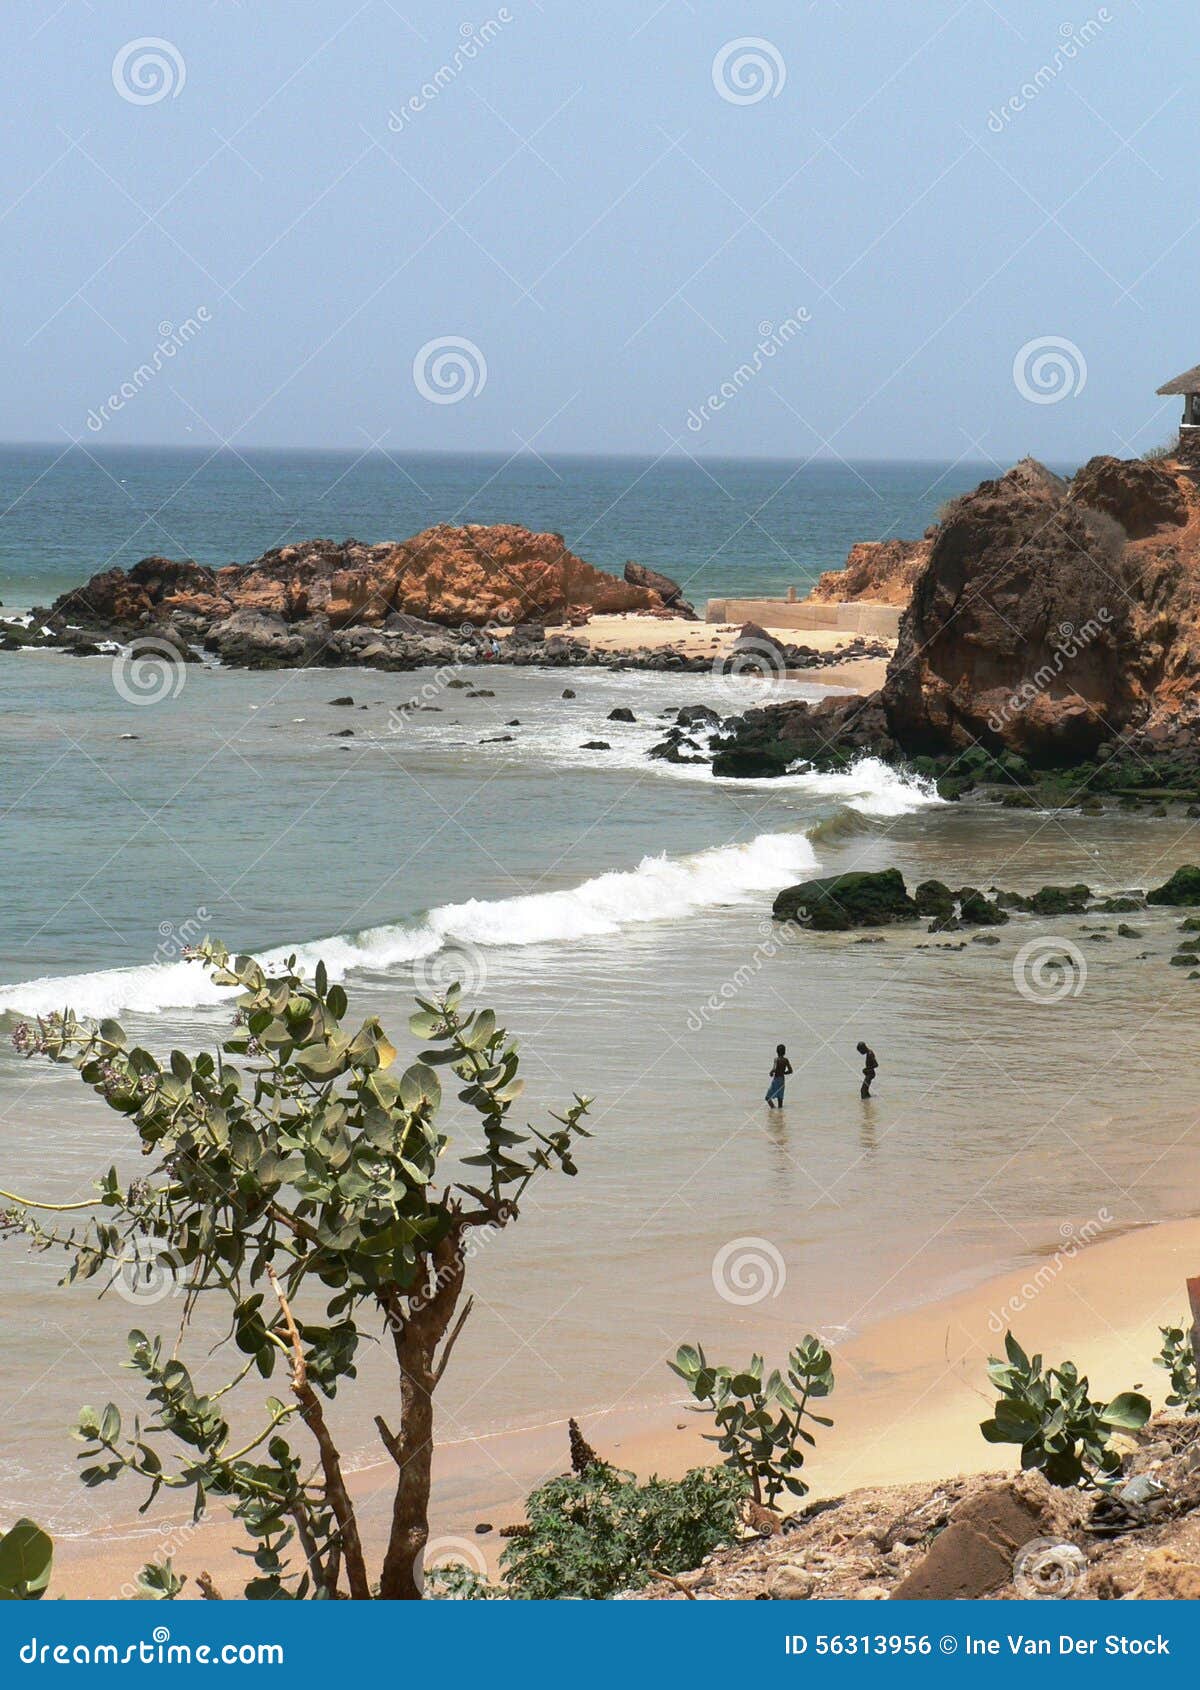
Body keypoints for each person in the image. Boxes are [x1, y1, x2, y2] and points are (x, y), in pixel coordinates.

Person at [765, 1043, 792, 1109]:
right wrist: (784, 1073)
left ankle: (773, 1109)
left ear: (777, 1051)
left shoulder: (776, 1059)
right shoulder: (786, 1060)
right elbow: (790, 1070)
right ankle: (779, 1114)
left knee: (767, 1097)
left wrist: (771, 1072)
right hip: (782, 1080)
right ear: (784, 1052)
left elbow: (774, 1068)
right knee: (780, 1099)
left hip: (776, 1079)